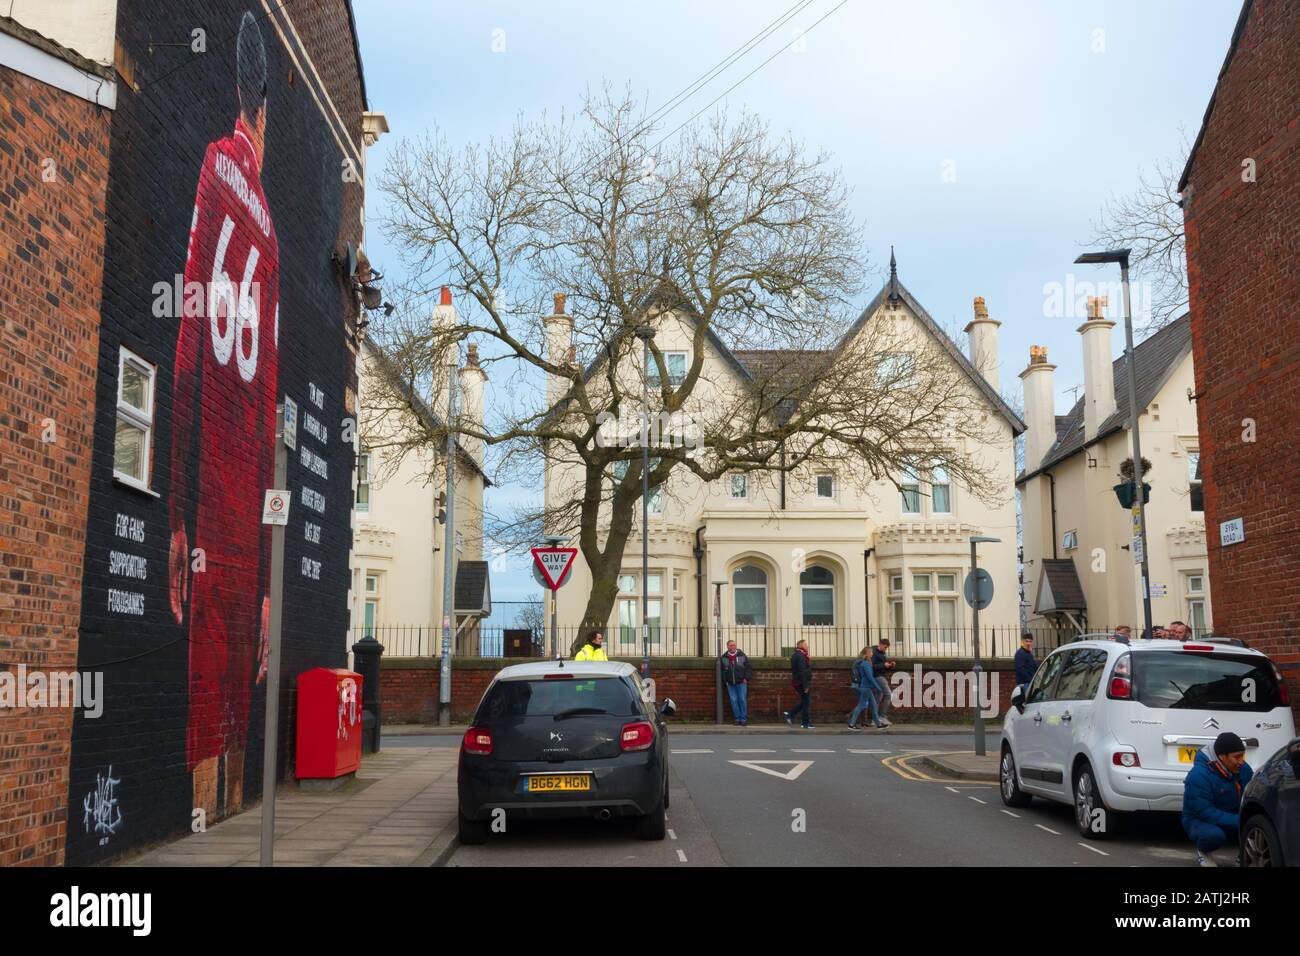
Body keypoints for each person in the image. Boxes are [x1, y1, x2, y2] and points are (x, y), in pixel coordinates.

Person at [169, 11, 279, 821]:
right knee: (241, 683)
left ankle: (202, 826)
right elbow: (270, 396)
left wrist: (176, 514)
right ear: (267, 107)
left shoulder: (212, 168)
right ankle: (236, 813)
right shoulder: (272, 230)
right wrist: (274, 578)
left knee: (204, 688)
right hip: (248, 515)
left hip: (208, 490)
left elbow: (188, 346)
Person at [1182, 731, 1254, 867]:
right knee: (1214, 836)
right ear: (1222, 756)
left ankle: (1244, 856)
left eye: (1242, 756)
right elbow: (1205, 812)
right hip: (1199, 819)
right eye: (1236, 757)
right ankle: (1203, 851)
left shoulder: (1244, 769)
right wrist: (1239, 820)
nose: (1241, 762)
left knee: (1256, 821)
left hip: (1231, 815)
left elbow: (1251, 797)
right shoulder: (1199, 775)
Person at [848, 647, 889, 729]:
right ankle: (851, 724)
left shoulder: (863, 663)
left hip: (866, 687)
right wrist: (878, 687)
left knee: (873, 705)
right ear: (867, 654)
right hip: (865, 687)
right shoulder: (865, 664)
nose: (872, 654)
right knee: (861, 705)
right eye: (871, 653)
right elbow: (870, 677)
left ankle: (878, 724)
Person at [783, 639, 814, 729]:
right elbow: (802, 671)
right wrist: (806, 685)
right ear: (800, 645)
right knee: (806, 702)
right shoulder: (800, 656)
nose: (807, 646)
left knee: (805, 701)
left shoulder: (799, 655)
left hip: (798, 682)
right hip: (801, 683)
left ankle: (791, 714)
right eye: (805, 644)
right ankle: (805, 723)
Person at [720, 639, 751, 726]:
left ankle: (743, 719)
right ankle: (737, 719)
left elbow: (748, 668)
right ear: (727, 646)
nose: (733, 647)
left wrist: (746, 678)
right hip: (730, 684)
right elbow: (723, 671)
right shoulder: (724, 657)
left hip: (741, 682)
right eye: (731, 645)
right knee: (733, 701)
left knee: (742, 700)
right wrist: (725, 681)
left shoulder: (742, 655)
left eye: (734, 645)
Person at [870, 638, 896, 720]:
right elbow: (872, 665)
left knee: (878, 697)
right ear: (880, 644)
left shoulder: (883, 653)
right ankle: (882, 716)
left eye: (886, 648)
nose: (886, 649)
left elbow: (882, 666)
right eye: (885, 647)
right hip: (877, 676)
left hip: (880, 675)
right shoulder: (873, 652)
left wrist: (890, 666)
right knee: (888, 694)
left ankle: (875, 718)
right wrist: (883, 665)